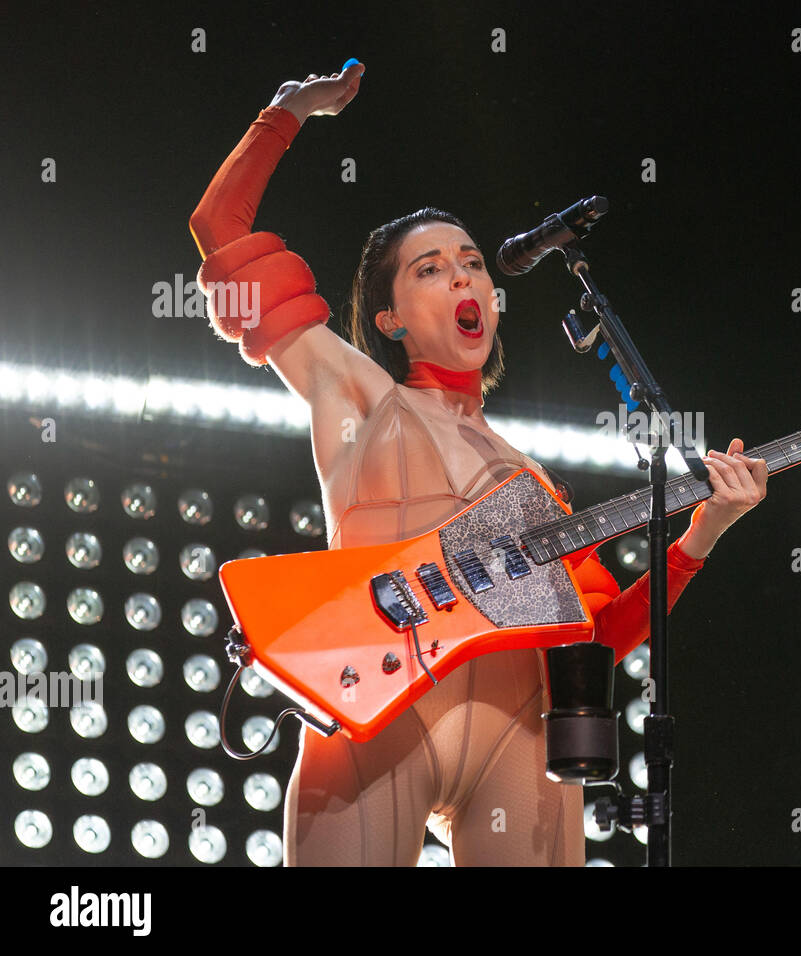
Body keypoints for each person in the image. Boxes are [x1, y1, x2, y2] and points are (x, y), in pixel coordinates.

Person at [188, 60, 767, 866]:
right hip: (380, 714)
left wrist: (703, 533)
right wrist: (287, 113)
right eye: (430, 268)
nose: (463, 275)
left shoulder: (534, 480)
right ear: (387, 315)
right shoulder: (360, 398)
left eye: (471, 264)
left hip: (520, 739)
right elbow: (221, 228)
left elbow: (598, 634)